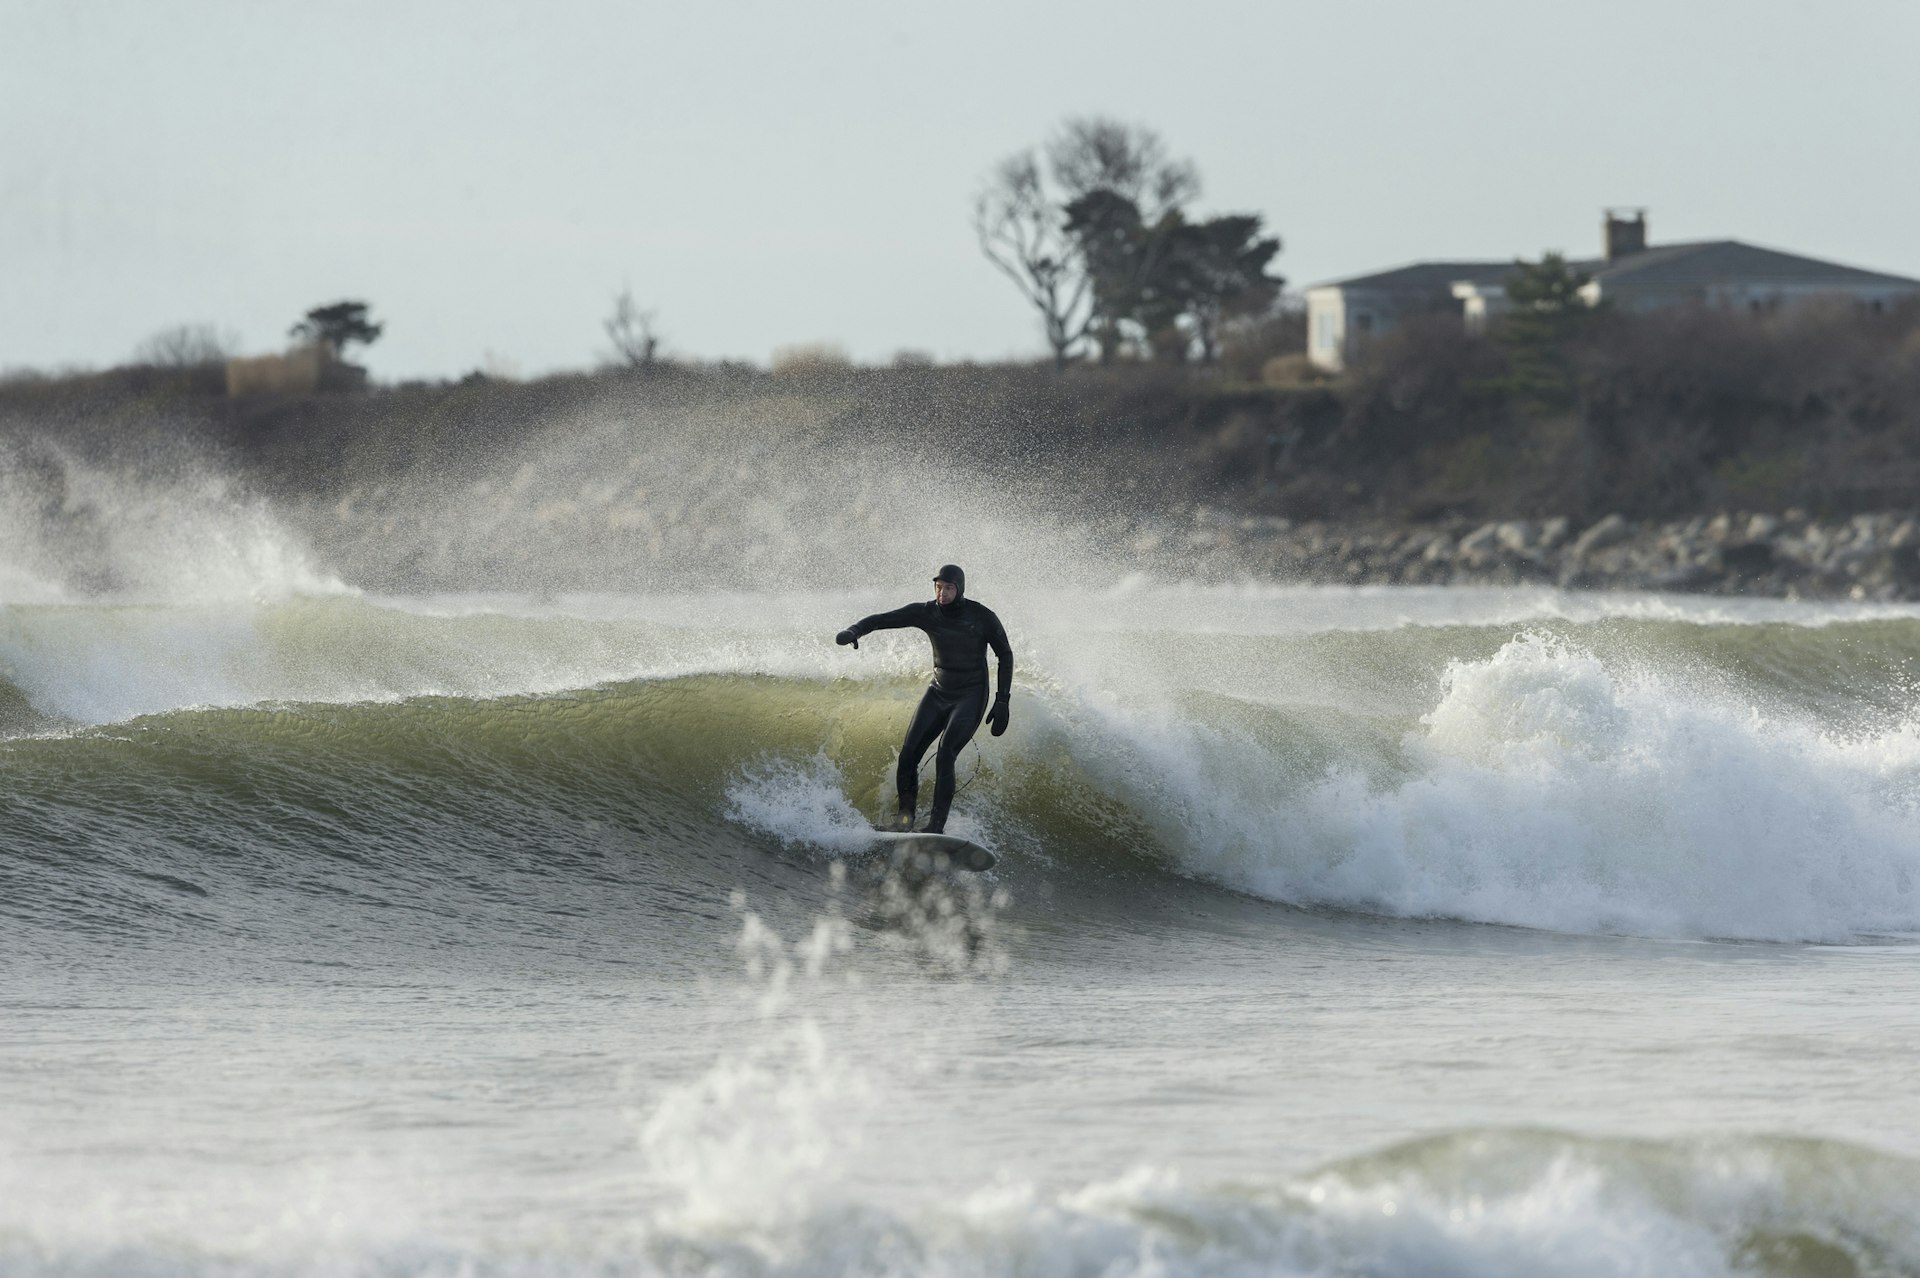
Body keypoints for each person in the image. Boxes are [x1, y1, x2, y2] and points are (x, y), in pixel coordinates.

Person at [835, 564, 1012, 833]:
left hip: (971, 695)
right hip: (939, 690)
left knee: (945, 754)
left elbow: (1005, 655)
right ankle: (903, 821)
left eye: (948, 588)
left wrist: (1002, 701)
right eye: (938, 587)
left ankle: (936, 827)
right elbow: (883, 619)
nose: (942, 593)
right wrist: (855, 631)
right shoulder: (926, 612)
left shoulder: (982, 617)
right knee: (908, 755)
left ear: (960, 589)